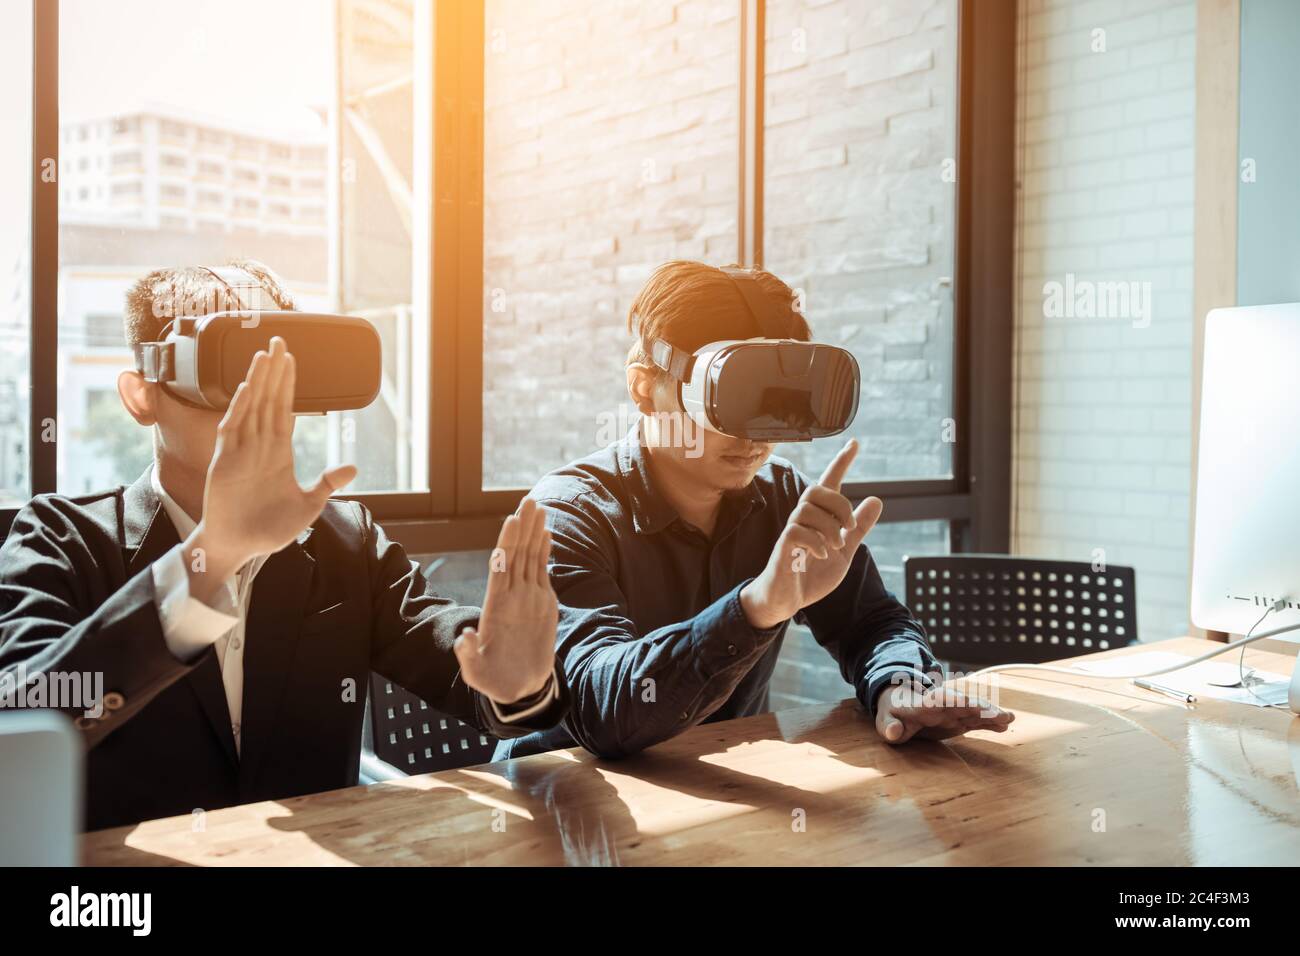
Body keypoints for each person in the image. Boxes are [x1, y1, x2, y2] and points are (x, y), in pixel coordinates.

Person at [0, 260, 566, 830]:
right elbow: (22, 718)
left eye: (276, 369)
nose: (253, 399)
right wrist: (211, 557)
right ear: (141, 396)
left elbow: (457, 662)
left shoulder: (347, 540)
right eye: (222, 367)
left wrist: (516, 682)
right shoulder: (62, 538)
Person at [496, 260, 1013, 761]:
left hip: (727, 796)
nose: (753, 435)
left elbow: (873, 622)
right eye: (727, 399)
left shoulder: (782, 497)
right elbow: (600, 709)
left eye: (773, 403)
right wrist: (756, 607)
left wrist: (899, 687)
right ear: (643, 390)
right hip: (560, 804)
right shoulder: (564, 516)